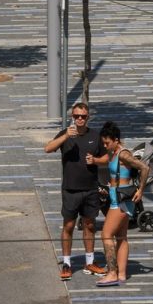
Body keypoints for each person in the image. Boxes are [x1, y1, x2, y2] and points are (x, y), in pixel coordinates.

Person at [44, 101, 107, 278]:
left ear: (88, 117)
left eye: (83, 116)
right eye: (76, 116)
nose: (79, 119)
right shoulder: (66, 133)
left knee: (90, 225)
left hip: (90, 188)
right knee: (69, 225)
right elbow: (48, 148)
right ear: (72, 117)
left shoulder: (95, 135)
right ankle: (66, 263)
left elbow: (107, 158)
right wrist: (65, 136)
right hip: (70, 189)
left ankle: (90, 262)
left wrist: (96, 161)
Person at [86, 121, 147, 286]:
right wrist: (95, 160)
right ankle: (122, 274)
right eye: (103, 143)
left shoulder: (123, 154)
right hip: (117, 197)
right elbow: (106, 161)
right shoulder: (113, 153)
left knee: (106, 234)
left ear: (116, 140)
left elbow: (144, 168)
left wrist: (141, 190)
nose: (105, 146)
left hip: (121, 199)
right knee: (121, 237)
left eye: (107, 143)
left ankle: (112, 273)